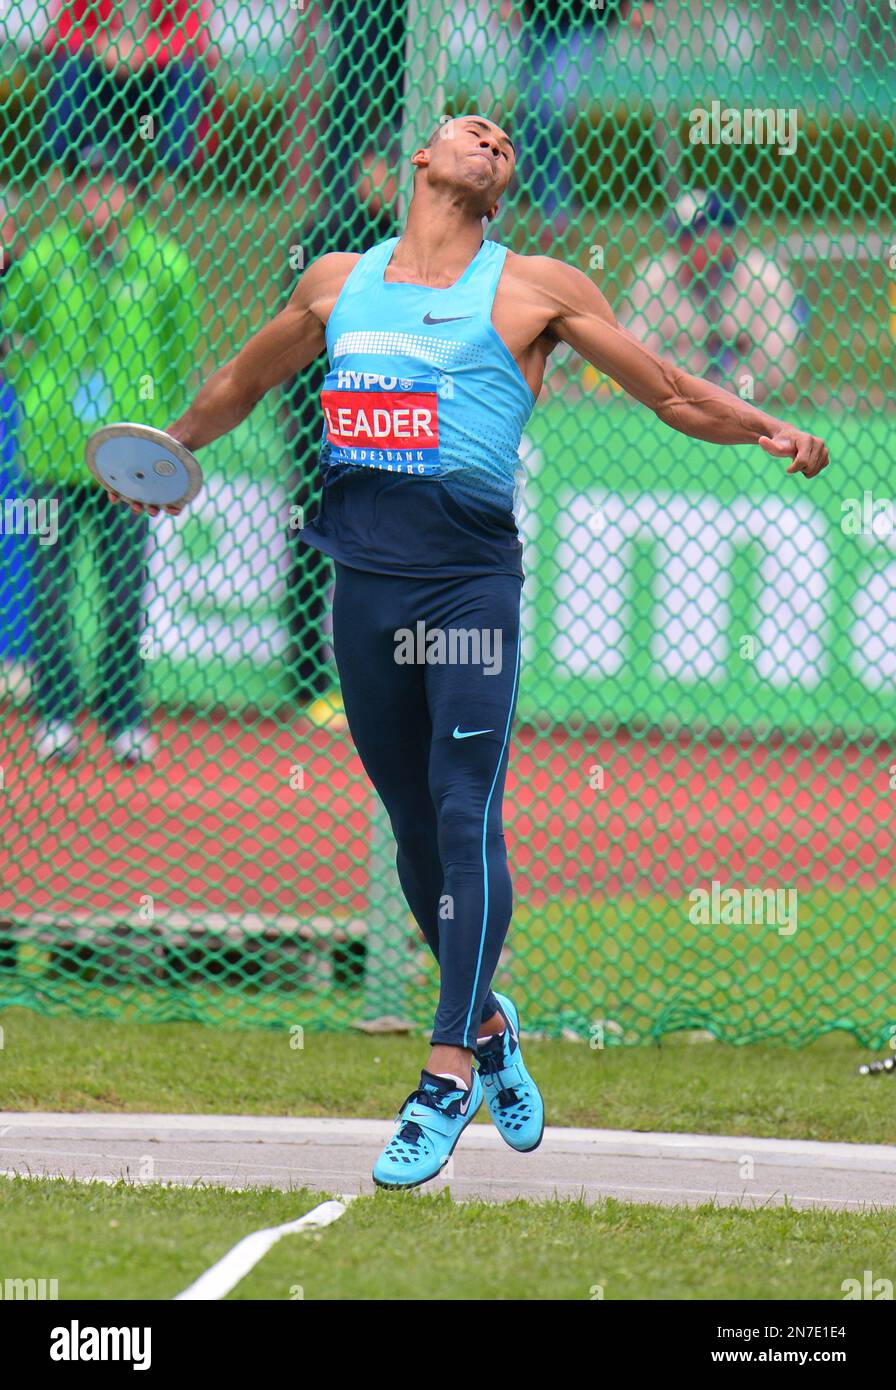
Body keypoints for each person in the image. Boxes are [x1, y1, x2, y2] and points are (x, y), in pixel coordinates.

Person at [107, 114, 829, 1188]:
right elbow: (242, 381)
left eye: (503, 140)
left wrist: (765, 425)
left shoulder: (536, 285)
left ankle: (441, 1077)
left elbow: (670, 389)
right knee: (411, 826)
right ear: (422, 162)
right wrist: (168, 451)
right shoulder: (335, 281)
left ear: (498, 185)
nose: (491, 137)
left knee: (462, 807)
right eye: (468, 129)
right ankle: (487, 1023)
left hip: (467, 581)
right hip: (364, 579)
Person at [1, 143, 199, 762]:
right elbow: (13, 325)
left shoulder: (165, 263)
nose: (96, 197)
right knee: (51, 596)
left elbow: (179, 357)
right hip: (53, 457)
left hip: (129, 463)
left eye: (110, 185)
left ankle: (123, 718)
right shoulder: (47, 254)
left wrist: (163, 444)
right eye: (87, 184)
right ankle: (56, 714)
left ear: (132, 194)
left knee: (122, 595)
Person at [624, 190, 802, 400]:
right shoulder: (653, 279)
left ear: (726, 233)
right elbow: (636, 358)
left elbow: (777, 365)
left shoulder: (765, 277)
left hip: (751, 401)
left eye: (698, 234)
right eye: (682, 236)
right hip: (672, 402)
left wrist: (721, 393)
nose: (688, 245)